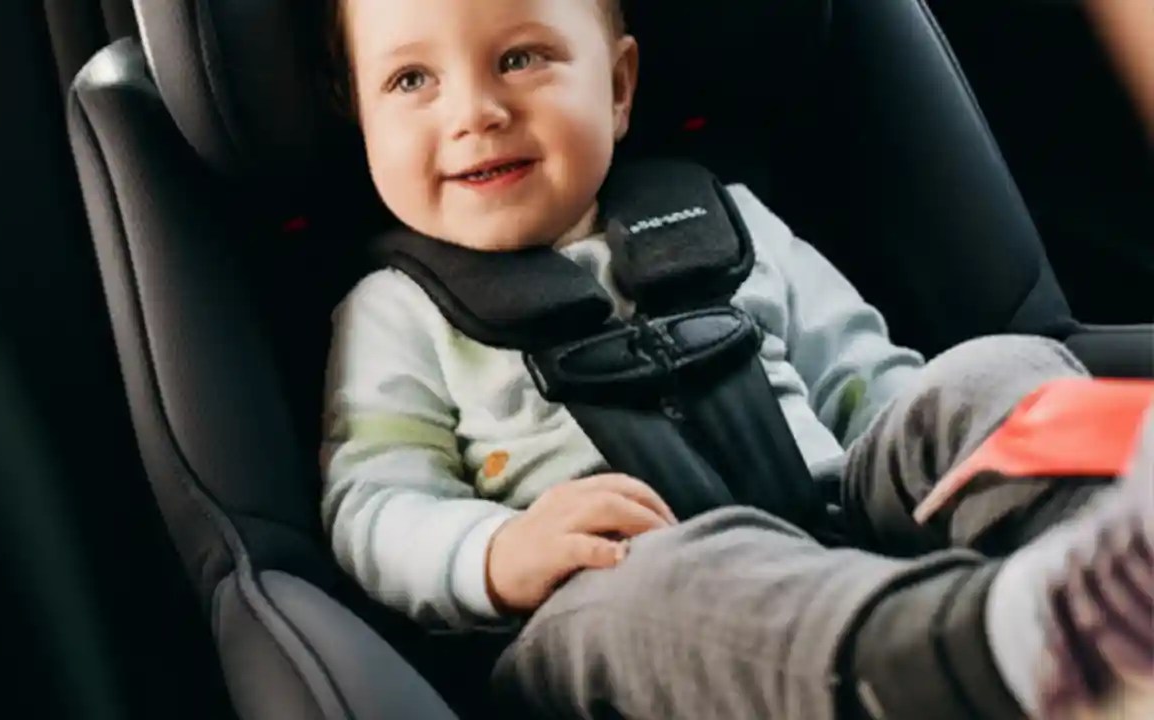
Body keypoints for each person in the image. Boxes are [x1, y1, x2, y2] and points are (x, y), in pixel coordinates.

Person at [319, 0, 1154, 717]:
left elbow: (865, 380)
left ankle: (1107, 566)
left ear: (615, 89)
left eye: (520, 58)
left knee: (987, 372)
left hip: (831, 516)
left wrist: (934, 449)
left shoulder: (728, 223)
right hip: (607, 607)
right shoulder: (397, 313)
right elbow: (378, 502)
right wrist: (497, 553)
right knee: (676, 579)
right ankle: (962, 658)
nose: (476, 110)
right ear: (360, 121)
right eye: (410, 82)